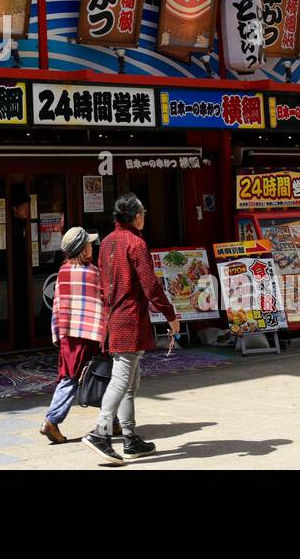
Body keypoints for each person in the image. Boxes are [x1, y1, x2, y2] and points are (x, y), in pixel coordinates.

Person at [83, 193, 180, 464]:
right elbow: (150, 286)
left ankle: (130, 438)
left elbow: (104, 285)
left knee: (129, 381)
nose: (145, 216)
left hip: (114, 317)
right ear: (136, 216)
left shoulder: (108, 243)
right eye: (144, 212)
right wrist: (171, 315)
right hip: (131, 320)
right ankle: (100, 433)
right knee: (122, 378)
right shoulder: (136, 244)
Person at [40, 227, 103, 444]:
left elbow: (59, 305)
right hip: (87, 334)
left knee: (71, 375)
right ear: (81, 249)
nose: (92, 246)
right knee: (94, 376)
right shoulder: (93, 272)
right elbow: (100, 302)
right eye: (89, 244)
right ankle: (52, 419)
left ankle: (111, 419)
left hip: (68, 332)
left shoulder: (64, 271)